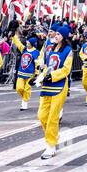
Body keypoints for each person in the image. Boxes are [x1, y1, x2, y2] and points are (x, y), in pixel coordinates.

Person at [37, 26, 74, 159]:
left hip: (59, 86)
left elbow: (66, 70)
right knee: (42, 115)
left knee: (53, 116)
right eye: (55, 34)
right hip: (46, 86)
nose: (55, 36)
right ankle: (52, 136)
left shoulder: (68, 51)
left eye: (58, 34)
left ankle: (50, 145)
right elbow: (47, 65)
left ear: (63, 36)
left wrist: (52, 76)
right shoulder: (51, 48)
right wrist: (40, 76)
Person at [14, 35, 40, 111]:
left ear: (32, 44)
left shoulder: (36, 52)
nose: (26, 44)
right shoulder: (24, 49)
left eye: (28, 43)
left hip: (30, 74)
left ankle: (24, 102)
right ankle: (24, 98)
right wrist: (14, 36)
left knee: (27, 89)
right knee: (19, 88)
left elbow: (37, 64)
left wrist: (36, 74)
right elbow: (18, 43)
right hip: (21, 73)